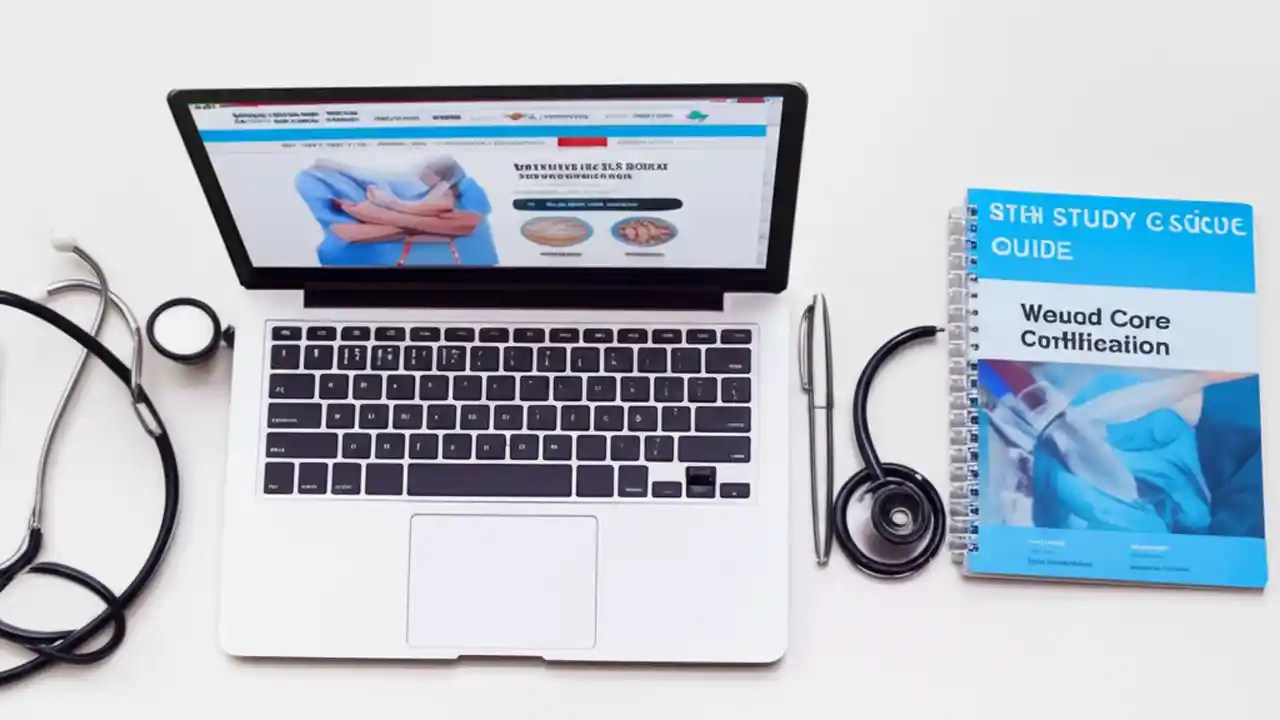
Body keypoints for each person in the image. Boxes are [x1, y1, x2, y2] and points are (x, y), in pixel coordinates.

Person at [294, 156, 498, 267]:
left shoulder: (465, 185)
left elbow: (466, 225)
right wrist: (436, 226)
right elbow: (346, 233)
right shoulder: (314, 178)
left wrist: (386, 210)